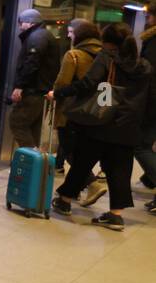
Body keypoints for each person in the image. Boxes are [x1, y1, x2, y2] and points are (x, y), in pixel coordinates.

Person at [49, 23, 152, 231]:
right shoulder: (144, 66)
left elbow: (88, 83)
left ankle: (65, 200)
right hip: (129, 126)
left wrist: (59, 93)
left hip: (103, 121)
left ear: (107, 42)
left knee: (83, 162)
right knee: (120, 169)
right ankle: (115, 216)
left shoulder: (107, 58)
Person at [52, 19, 106, 205]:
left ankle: (92, 184)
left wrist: (54, 94)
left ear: (80, 35)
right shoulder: (105, 55)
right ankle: (70, 195)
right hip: (96, 112)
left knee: (70, 151)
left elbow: (62, 83)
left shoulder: (73, 55)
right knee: (81, 152)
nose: (68, 35)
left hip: (71, 112)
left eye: (71, 32)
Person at [8, 8, 60, 149]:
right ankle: (33, 166)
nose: (19, 27)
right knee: (33, 128)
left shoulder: (37, 37)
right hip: (42, 92)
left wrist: (19, 86)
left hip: (34, 91)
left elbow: (32, 63)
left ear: (30, 23)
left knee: (17, 123)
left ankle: (31, 158)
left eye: (21, 23)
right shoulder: (45, 35)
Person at [137, 21, 156, 207]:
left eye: (150, 14)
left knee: (141, 147)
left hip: (152, 104)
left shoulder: (153, 41)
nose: (147, 18)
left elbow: (149, 77)